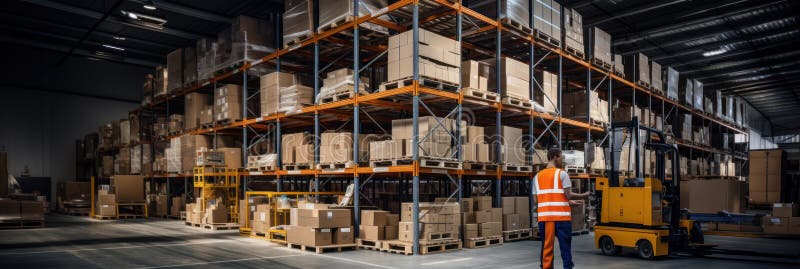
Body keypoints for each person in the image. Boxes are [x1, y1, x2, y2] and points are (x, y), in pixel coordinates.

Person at [533, 148, 590, 269]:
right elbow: (568, 195)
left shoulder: (537, 177)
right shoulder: (562, 174)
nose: (562, 160)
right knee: (565, 248)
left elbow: (536, 200)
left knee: (547, 248)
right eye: (561, 157)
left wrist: (565, 202)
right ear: (555, 157)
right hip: (561, 218)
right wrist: (584, 195)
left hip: (545, 219)